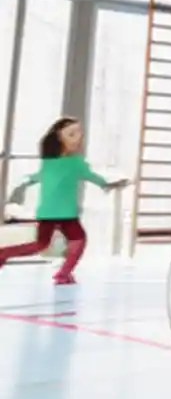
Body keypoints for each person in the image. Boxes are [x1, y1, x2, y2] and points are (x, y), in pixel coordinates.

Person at [0, 117, 127, 284]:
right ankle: (63, 274)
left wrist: (24, 183)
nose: (79, 138)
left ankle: (4, 253)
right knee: (79, 240)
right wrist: (111, 184)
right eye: (72, 134)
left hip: (47, 212)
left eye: (80, 133)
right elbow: (95, 179)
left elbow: (36, 177)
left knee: (41, 245)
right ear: (60, 139)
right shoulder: (76, 163)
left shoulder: (48, 163)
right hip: (66, 213)